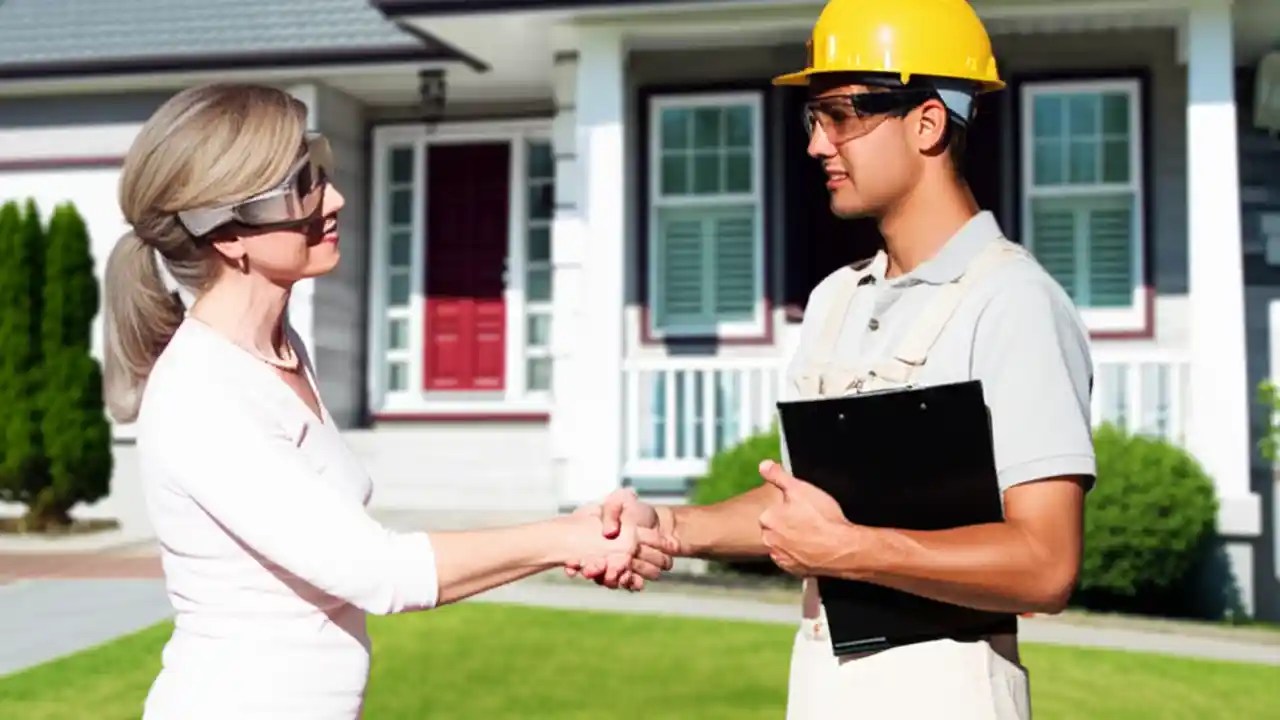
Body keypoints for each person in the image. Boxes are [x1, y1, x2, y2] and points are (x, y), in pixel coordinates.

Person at [573, 1, 1097, 718]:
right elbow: (801, 509)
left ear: (928, 123)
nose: (818, 145)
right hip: (823, 682)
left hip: (947, 691)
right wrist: (668, 527)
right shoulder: (835, 301)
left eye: (842, 116)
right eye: (813, 119)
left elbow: (1046, 564)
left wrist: (851, 550)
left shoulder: (1013, 302)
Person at [102, 83, 673, 720]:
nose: (334, 199)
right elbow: (379, 572)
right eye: (300, 187)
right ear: (228, 234)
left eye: (319, 168)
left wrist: (580, 536)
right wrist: (569, 537)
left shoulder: (277, 351)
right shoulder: (203, 397)